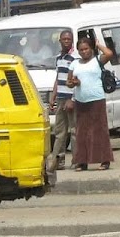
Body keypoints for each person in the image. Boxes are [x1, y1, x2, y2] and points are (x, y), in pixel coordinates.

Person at [66, 36, 115, 171]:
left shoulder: (97, 60)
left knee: (100, 130)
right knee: (82, 132)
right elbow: (68, 82)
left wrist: (99, 45)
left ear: (91, 49)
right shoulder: (74, 64)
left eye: (86, 49)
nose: (84, 52)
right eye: (81, 50)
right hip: (81, 102)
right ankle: (82, 162)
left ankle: (104, 160)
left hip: (97, 100)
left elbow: (109, 54)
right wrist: (73, 83)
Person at [48, 30, 77, 171]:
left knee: (74, 130)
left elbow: (76, 80)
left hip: (70, 99)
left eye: (69, 39)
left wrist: (72, 98)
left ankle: (77, 160)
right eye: (64, 39)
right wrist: (53, 96)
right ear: (60, 41)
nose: (66, 41)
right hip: (60, 98)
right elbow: (58, 78)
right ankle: (58, 160)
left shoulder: (74, 58)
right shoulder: (59, 58)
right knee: (60, 132)